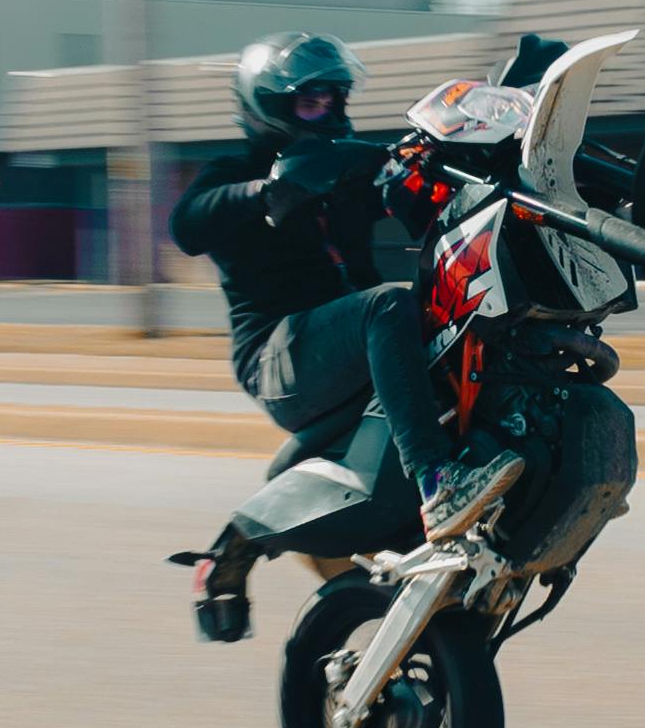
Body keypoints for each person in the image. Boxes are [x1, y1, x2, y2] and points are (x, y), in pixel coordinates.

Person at [170, 31, 524, 554]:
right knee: (387, 304)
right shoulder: (234, 172)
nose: (331, 111)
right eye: (312, 101)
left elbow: (423, 210)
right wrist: (263, 193)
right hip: (276, 359)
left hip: (355, 350)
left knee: (455, 309)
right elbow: (186, 227)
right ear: (268, 106)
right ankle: (437, 482)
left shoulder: (344, 175)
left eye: (337, 98)